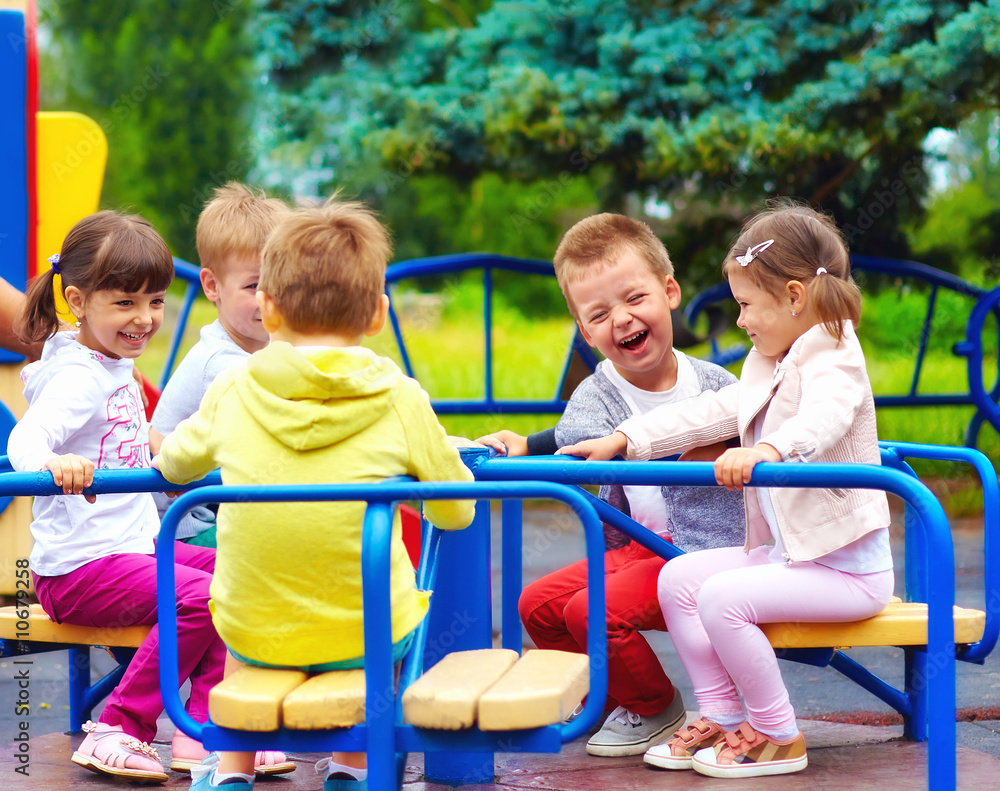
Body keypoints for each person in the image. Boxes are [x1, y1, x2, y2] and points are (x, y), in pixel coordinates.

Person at [153, 199, 476, 791]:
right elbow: (456, 511)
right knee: (387, 608)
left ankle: (232, 770)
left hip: (254, 627)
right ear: (377, 314)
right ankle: (353, 765)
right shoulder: (401, 397)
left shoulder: (231, 388)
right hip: (366, 631)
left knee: (246, 610)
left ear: (269, 308)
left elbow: (172, 463)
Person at [562, 202, 893, 779]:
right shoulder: (770, 359)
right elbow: (711, 411)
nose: (739, 321)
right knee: (678, 578)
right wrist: (624, 438)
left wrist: (769, 450)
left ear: (794, 297)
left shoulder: (834, 353)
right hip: (793, 556)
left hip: (847, 569)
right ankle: (719, 714)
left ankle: (778, 732)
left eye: (745, 304)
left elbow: (826, 417)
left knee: (722, 598)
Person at [479, 213, 744, 757]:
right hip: (639, 546)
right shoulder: (597, 393)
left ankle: (653, 705)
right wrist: (527, 445)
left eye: (635, 299)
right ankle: (609, 696)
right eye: (599, 314)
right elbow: (575, 439)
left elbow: (759, 424)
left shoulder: (715, 383)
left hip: (706, 552)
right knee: (537, 606)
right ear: (585, 332)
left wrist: (733, 446)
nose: (621, 319)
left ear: (669, 292)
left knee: (590, 610)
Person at [6, 212, 226, 783]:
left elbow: (130, 440)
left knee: (243, 573)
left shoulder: (111, 363)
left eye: (155, 301)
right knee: (203, 598)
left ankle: (205, 730)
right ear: (78, 301)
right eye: (125, 302)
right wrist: (54, 463)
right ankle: (119, 728)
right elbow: (26, 440)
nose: (144, 318)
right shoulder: (79, 377)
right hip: (79, 569)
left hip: (129, 550)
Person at [148, 182, 291, 547]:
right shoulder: (222, 363)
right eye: (254, 286)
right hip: (184, 525)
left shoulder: (265, 346)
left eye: (283, 284)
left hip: (215, 505)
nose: (270, 300)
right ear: (212, 286)